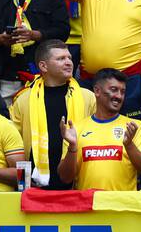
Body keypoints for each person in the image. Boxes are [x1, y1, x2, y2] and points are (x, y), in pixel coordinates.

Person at [10, 39, 96, 188]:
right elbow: (15, 143)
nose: (69, 62)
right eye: (61, 59)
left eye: (69, 57)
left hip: (77, 182)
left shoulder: (87, 97)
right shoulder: (23, 99)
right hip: (35, 184)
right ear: (43, 66)